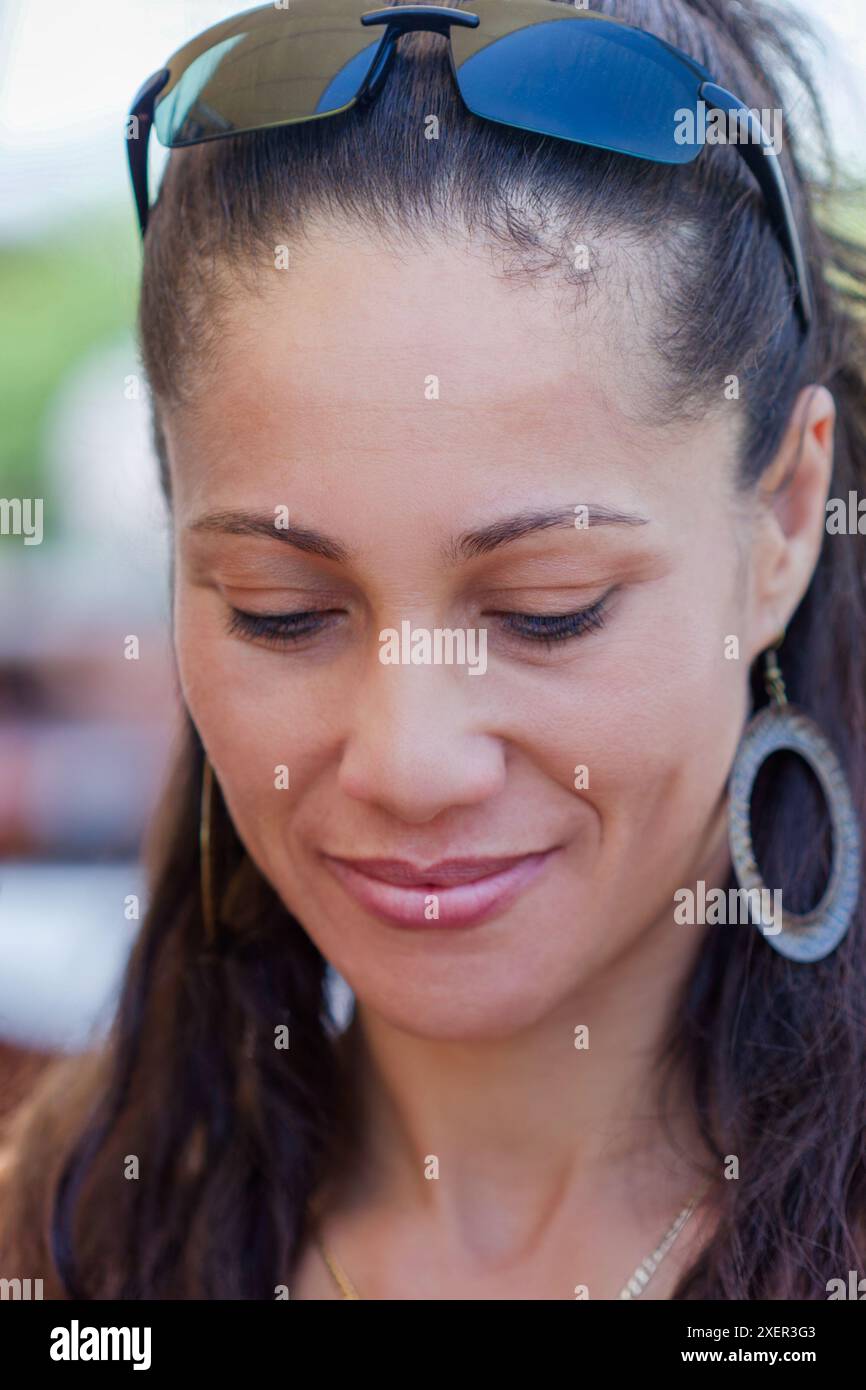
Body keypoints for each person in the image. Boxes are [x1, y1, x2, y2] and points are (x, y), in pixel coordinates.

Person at [2, 0, 865, 1299]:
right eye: (280, 609)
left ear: (786, 523)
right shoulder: (66, 1249)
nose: (411, 764)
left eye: (549, 608)